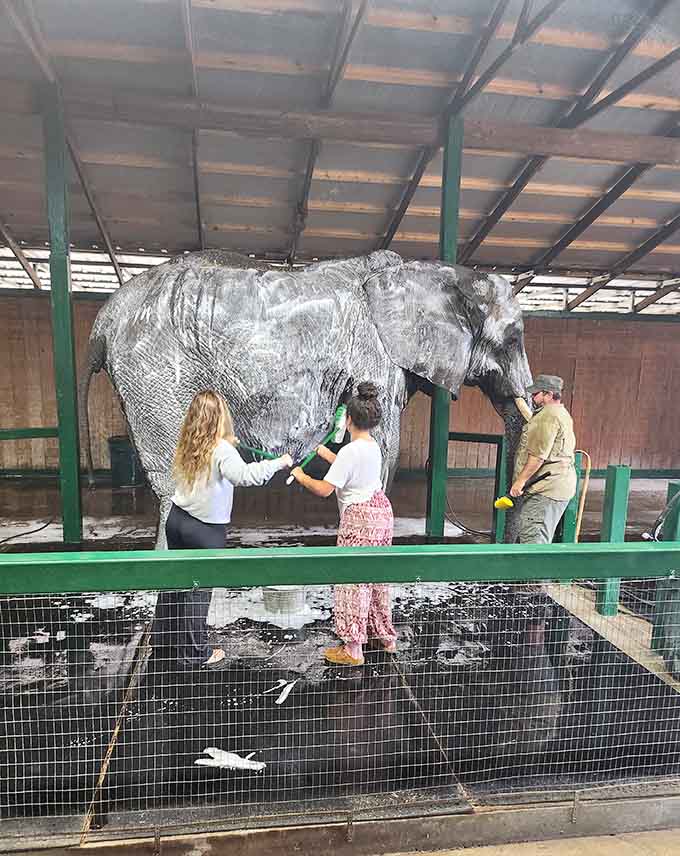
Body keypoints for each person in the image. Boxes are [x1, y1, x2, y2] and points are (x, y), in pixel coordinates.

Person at [153, 390, 292, 669]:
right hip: (204, 531)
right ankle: (195, 653)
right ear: (220, 417)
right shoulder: (221, 449)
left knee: (174, 583)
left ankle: (164, 640)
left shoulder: (189, 441)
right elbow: (244, 476)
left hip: (177, 520)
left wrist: (228, 445)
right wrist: (280, 463)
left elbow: (215, 459)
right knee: (197, 590)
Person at [290, 382, 397, 666]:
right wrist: (323, 452)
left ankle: (352, 649)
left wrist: (301, 476)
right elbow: (350, 467)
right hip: (381, 514)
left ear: (348, 419)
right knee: (376, 577)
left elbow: (325, 489)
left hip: (359, 519)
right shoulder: (371, 446)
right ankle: (384, 636)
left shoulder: (351, 451)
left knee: (352, 580)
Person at [510, 374, 577, 544]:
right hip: (558, 486)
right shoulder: (561, 413)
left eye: (535, 394)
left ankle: (536, 572)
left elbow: (538, 456)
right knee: (539, 538)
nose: (532, 397)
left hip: (545, 489)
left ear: (548, 394)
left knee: (534, 542)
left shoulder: (547, 417)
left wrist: (519, 482)